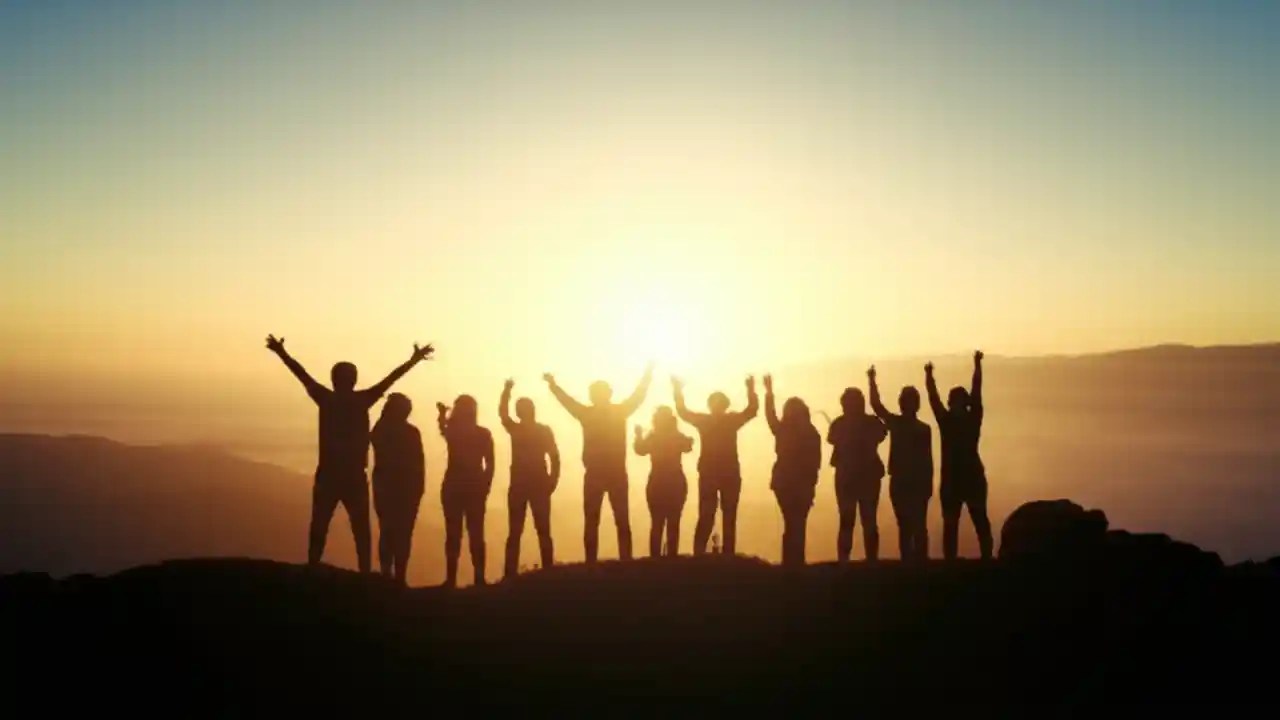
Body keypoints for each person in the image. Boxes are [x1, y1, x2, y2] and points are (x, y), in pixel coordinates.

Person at [265, 335, 433, 572]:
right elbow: (391, 379)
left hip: (329, 475)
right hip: (353, 476)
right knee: (360, 529)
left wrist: (281, 352)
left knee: (321, 524)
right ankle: (363, 571)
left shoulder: (326, 399)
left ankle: (314, 565)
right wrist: (414, 359)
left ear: (334, 380)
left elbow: (300, 374)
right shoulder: (361, 400)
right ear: (353, 380)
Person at [544, 364, 654, 564]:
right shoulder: (616, 411)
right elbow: (638, 396)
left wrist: (553, 385)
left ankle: (596, 562)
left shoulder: (591, 413)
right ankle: (619, 561)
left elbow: (567, 402)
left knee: (605, 520)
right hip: (607, 473)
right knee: (611, 520)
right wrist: (647, 375)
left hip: (604, 473)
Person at [672, 376, 758, 557]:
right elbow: (751, 411)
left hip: (713, 473)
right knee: (726, 515)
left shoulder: (706, 421)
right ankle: (724, 554)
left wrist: (678, 390)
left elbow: (682, 411)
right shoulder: (730, 421)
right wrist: (751, 390)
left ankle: (700, 553)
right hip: (727, 473)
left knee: (709, 514)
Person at [926, 351, 992, 560]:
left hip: (960, 479)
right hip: (965, 478)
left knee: (968, 521)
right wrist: (977, 365)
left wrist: (929, 376)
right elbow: (935, 398)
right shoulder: (971, 419)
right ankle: (979, 559)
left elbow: (935, 399)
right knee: (961, 522)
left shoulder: (950, 421)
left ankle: (969, 560)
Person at [868, 365, 933, 561]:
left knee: (910, 525)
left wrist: (871, 380)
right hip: (908, 482)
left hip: (907, 482)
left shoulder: (900, 424)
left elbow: (877, 406)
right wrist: (871, 381)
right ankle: (917, 562)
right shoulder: (921, 428)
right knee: (912, 525)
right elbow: (876, 405)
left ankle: (912, 562)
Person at [499, 379, 560, 579]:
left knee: (518, 531)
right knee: (539, 530)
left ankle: (511, 574)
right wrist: (553, 480)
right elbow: (554, 456)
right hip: (535, 484)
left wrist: (507, 391)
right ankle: (547, 570)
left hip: (525, 484)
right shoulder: (541, 430)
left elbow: (502, 413)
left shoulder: (518, 430)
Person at [763, 374, 821, 567]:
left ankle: (790, 561)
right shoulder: (811, 433)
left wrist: (769, 392)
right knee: (798, 523)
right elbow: (815, 463)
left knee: (791, 522)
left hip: (784, 482)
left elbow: (770, 416)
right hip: (800, 484)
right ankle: (796, 561)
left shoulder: (783, 430)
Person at [437, 395, 495, 587]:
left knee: (454, 533)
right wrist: (485, 485)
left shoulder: (455, 432)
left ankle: (452, 579)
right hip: (472, 487)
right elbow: (490, 464)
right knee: (475, 533)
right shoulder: (482, 434)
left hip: (454, 486)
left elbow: (444, 429)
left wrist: (442, 415)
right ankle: (478, 578)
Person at [827, 386, 888, 562]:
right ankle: (869, 560)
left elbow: (832, 440)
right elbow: (882, 434)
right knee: (866, 520)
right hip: (862, 478)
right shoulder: (871, 422)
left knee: (850, 520)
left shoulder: (839, 424)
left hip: (849, 479)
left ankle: (845, 560)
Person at [370, 393, 425, 585]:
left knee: (388, 531)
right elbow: (419, 464)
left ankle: (389, 574)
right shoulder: (410, 432)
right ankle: (398, 575)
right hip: (404, 489)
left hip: (388, 487)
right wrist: (419, 489)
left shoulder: (382, 429)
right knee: (402, 533)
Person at [634, 406, 694, 557]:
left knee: (657, 522)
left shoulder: (654, 437)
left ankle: (656, 557)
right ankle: (671, 556)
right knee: (673, 521)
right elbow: (687, 447)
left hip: (657, 481)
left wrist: (639, 435)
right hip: (675, 481)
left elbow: (640, 450)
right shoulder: (676, 436)